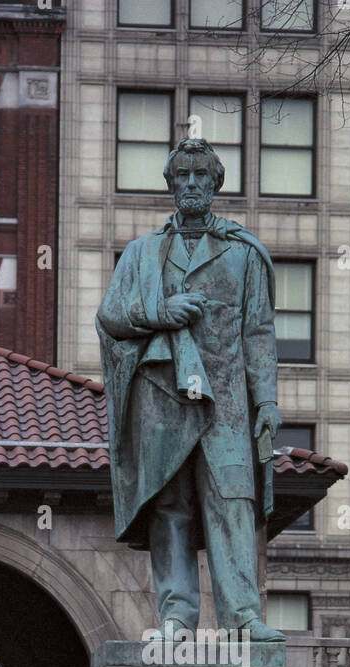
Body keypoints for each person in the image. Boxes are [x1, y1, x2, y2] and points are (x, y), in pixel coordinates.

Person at [96, 136, 285, 641]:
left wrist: (266, 401)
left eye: (202, 175)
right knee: (170, 505)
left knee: (233, 500)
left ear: (216, 183)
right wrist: (159, 313)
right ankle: (176, 617)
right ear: (171, 184)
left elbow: (259, 334)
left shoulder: (243, 254)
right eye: (183, 176)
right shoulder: (142, 253)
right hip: (163, 399)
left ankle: (243, 617)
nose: (193, 184)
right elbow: (110, 317)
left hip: (227, 404)